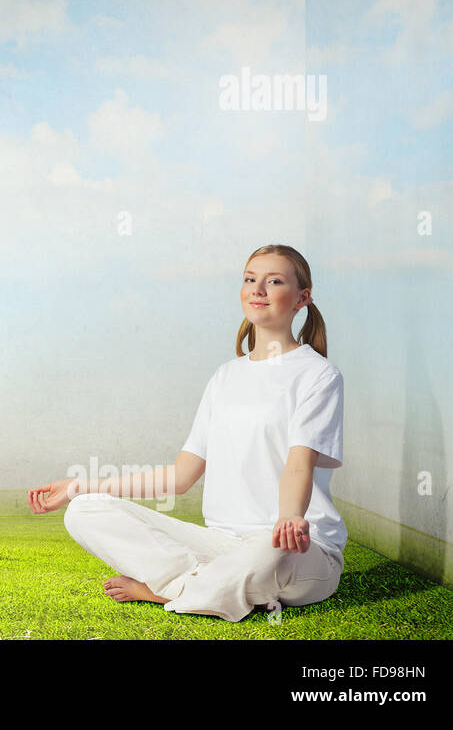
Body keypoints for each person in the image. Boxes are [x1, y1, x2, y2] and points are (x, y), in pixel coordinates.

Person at [28, 244, 346, 622]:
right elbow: (180, 477)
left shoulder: (318, 374)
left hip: (294, 546)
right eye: (250, 279)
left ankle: (166, 590)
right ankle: (207, 587)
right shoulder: (225, 377)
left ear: (302, 298)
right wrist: (78, 486)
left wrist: (291, 516)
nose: (257, 290)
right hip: (222, 544)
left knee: (271, 553)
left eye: (274, 281)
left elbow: (299, 463)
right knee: (84, 511)